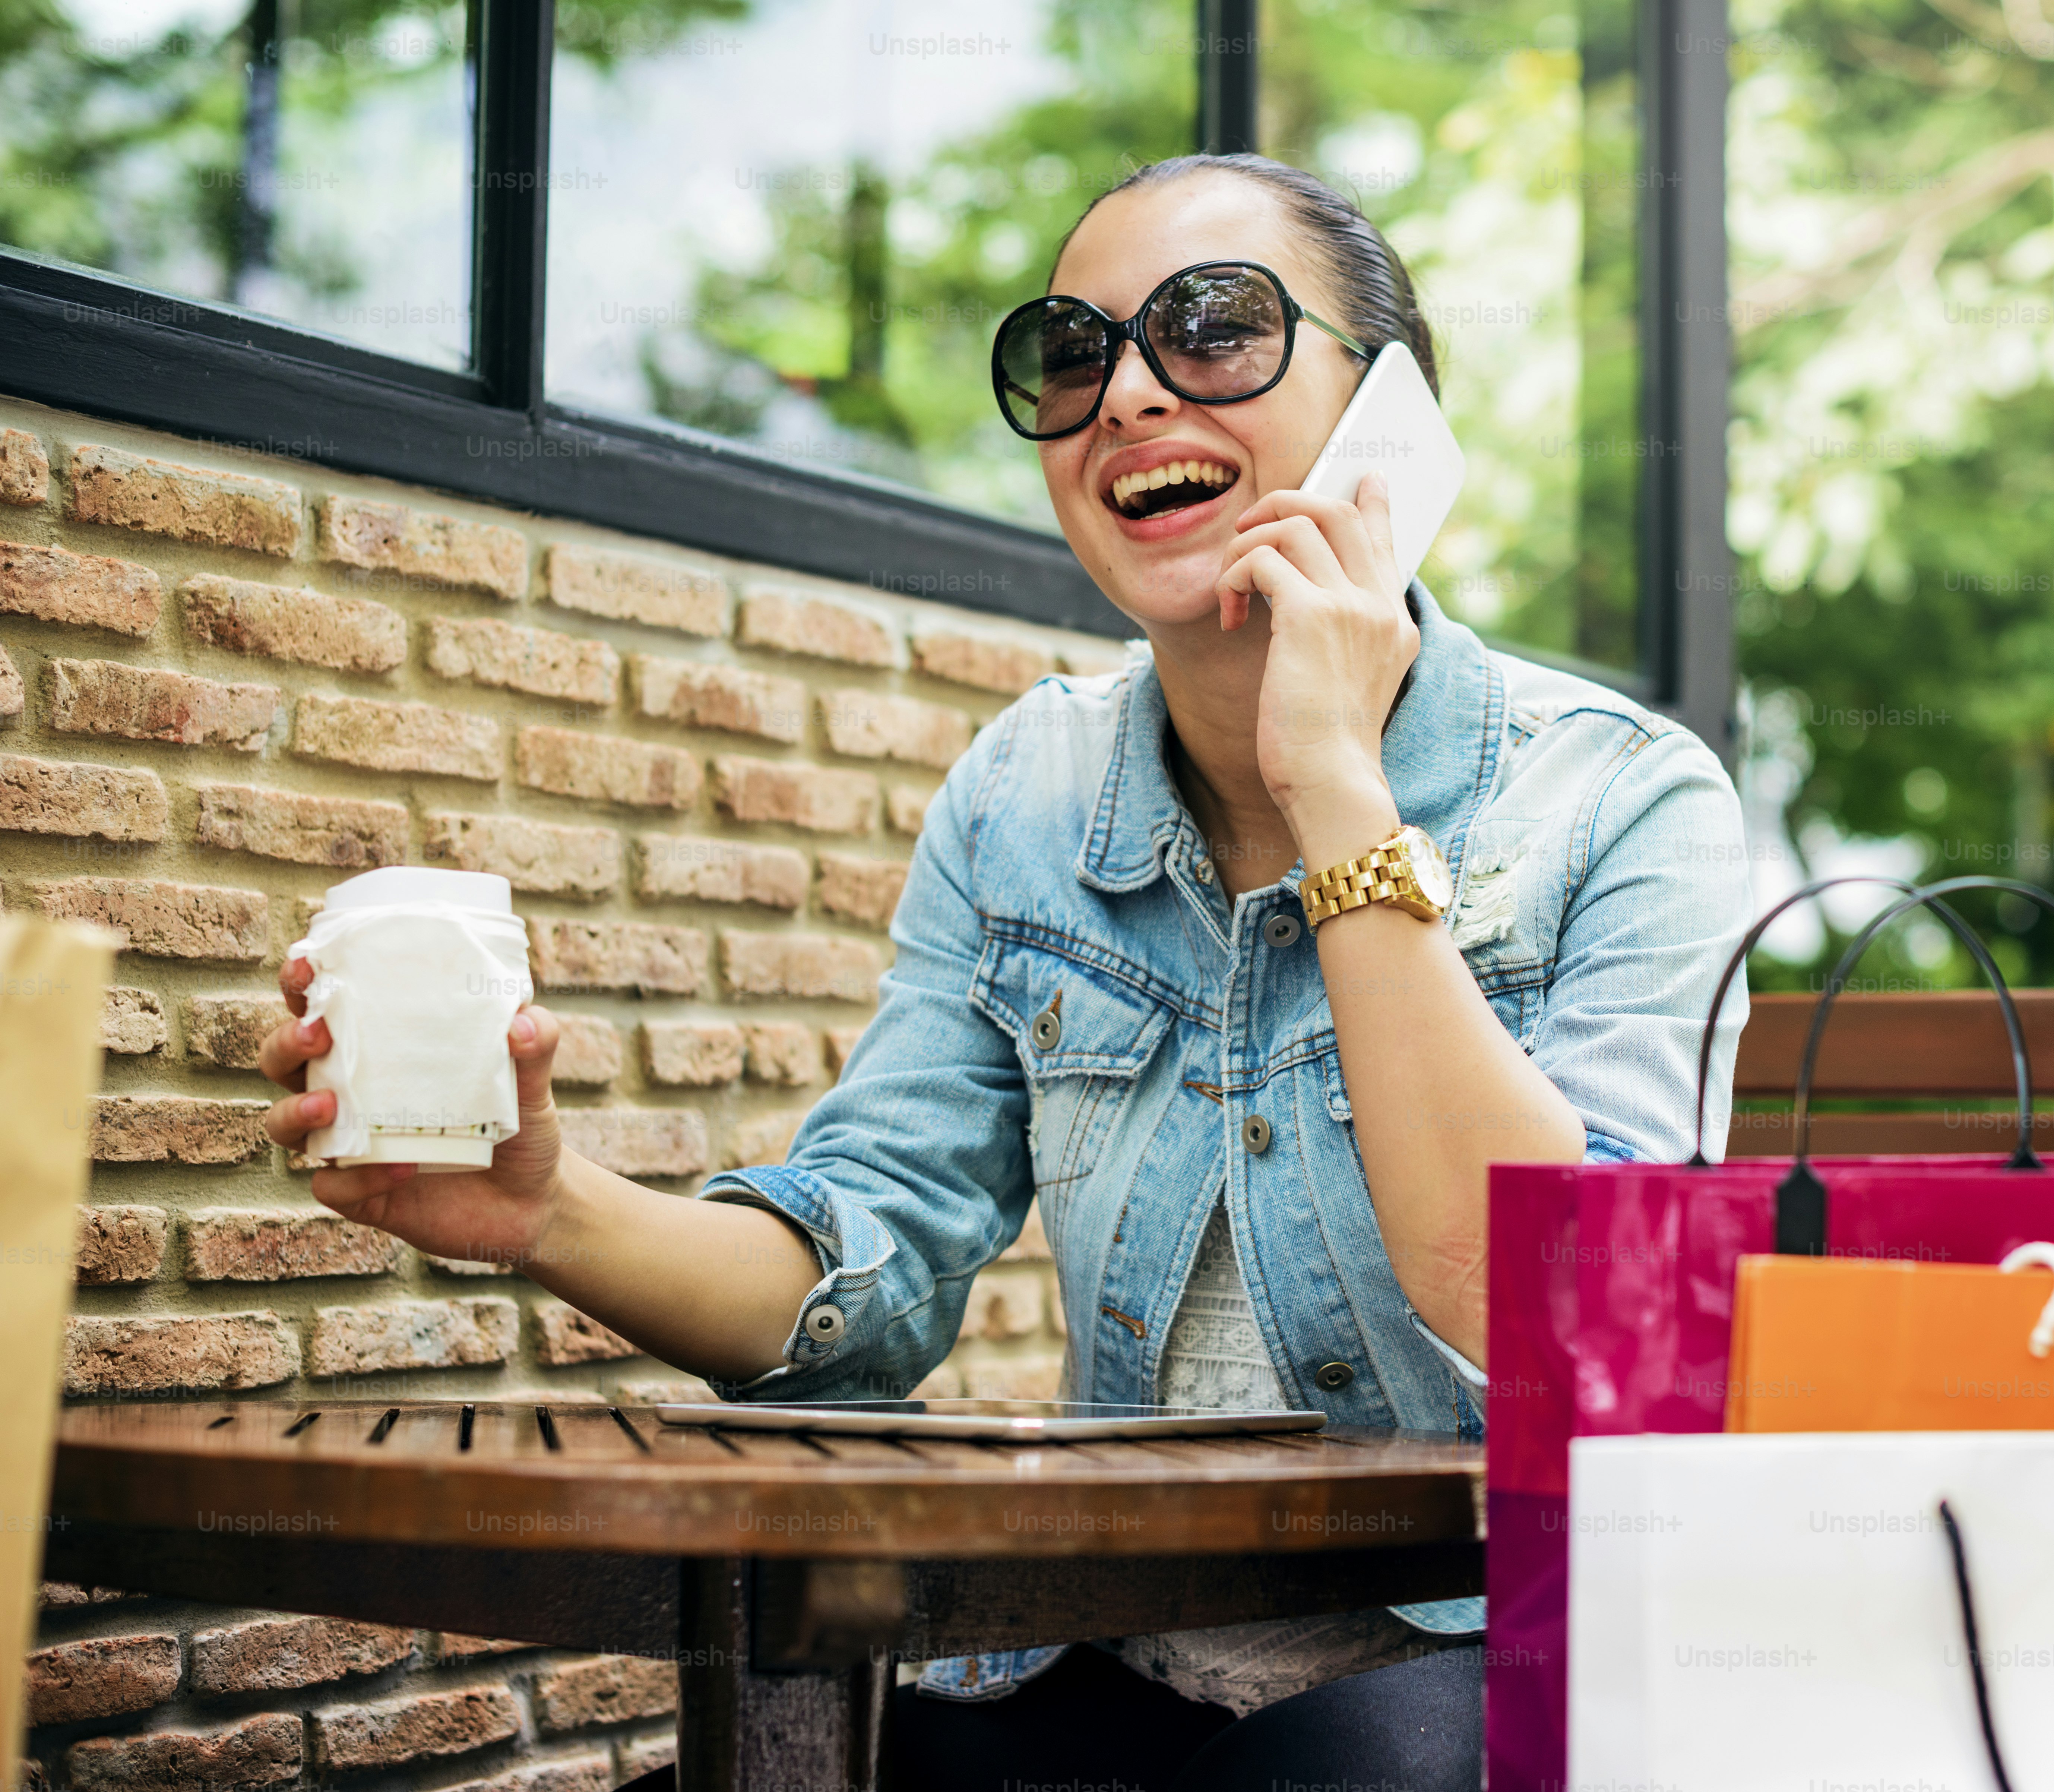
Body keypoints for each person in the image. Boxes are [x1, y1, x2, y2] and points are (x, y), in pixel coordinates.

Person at [253, 152, 1749, 1789]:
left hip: (1481, 1646)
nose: (1125, 395)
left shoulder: (1617, 797)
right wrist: (548, 1208)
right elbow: (869, 1269)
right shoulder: (1025, 798)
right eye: (1072, 353)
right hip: (1097, 1641)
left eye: (1213, 328)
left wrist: (1333, 785)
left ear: (1394, 415)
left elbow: (1572, 1336)